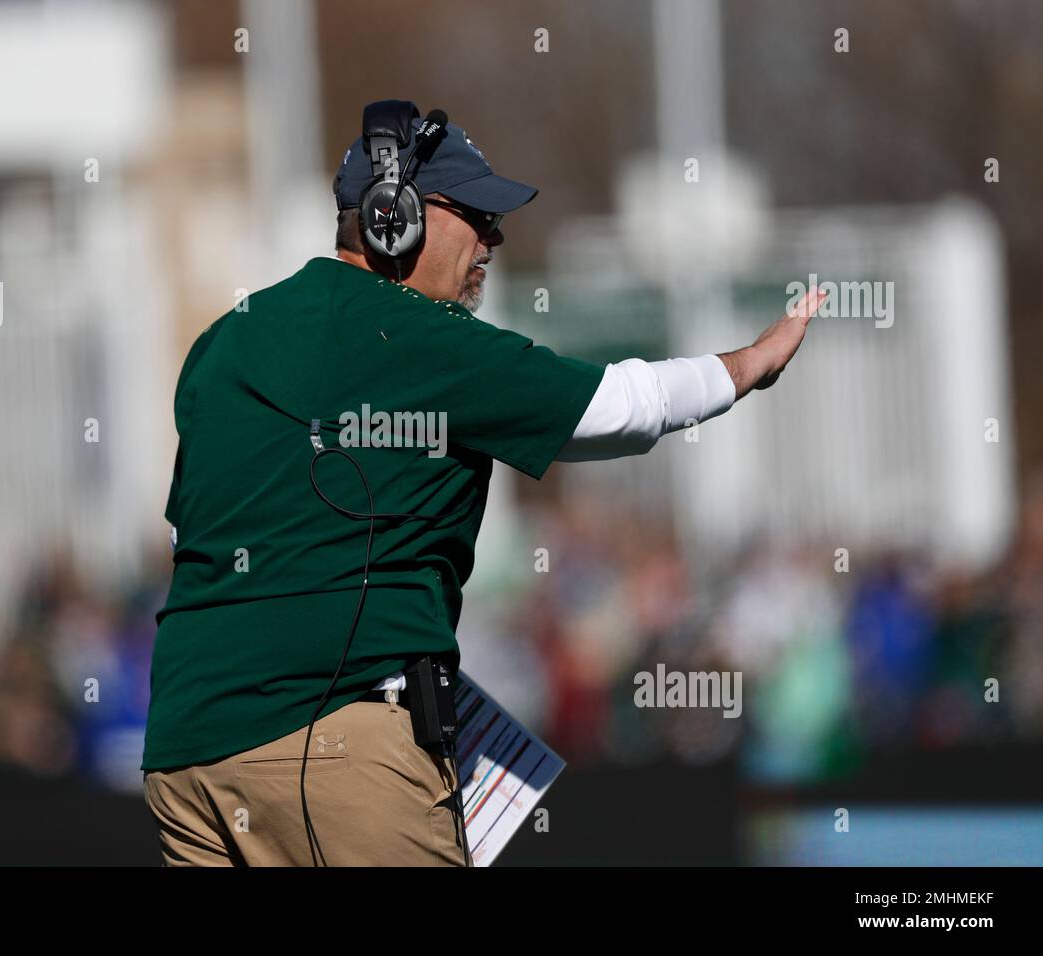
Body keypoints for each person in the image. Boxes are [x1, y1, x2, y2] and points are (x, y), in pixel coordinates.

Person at [141, 100, 823, 866]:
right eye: (474, 213)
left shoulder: (223, 342)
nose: (493, 239)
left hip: (183, 754)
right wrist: (749, 365)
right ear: (392, 216)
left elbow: (184, 536)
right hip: (332, 741)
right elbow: (620, 409)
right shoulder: (424, 338)